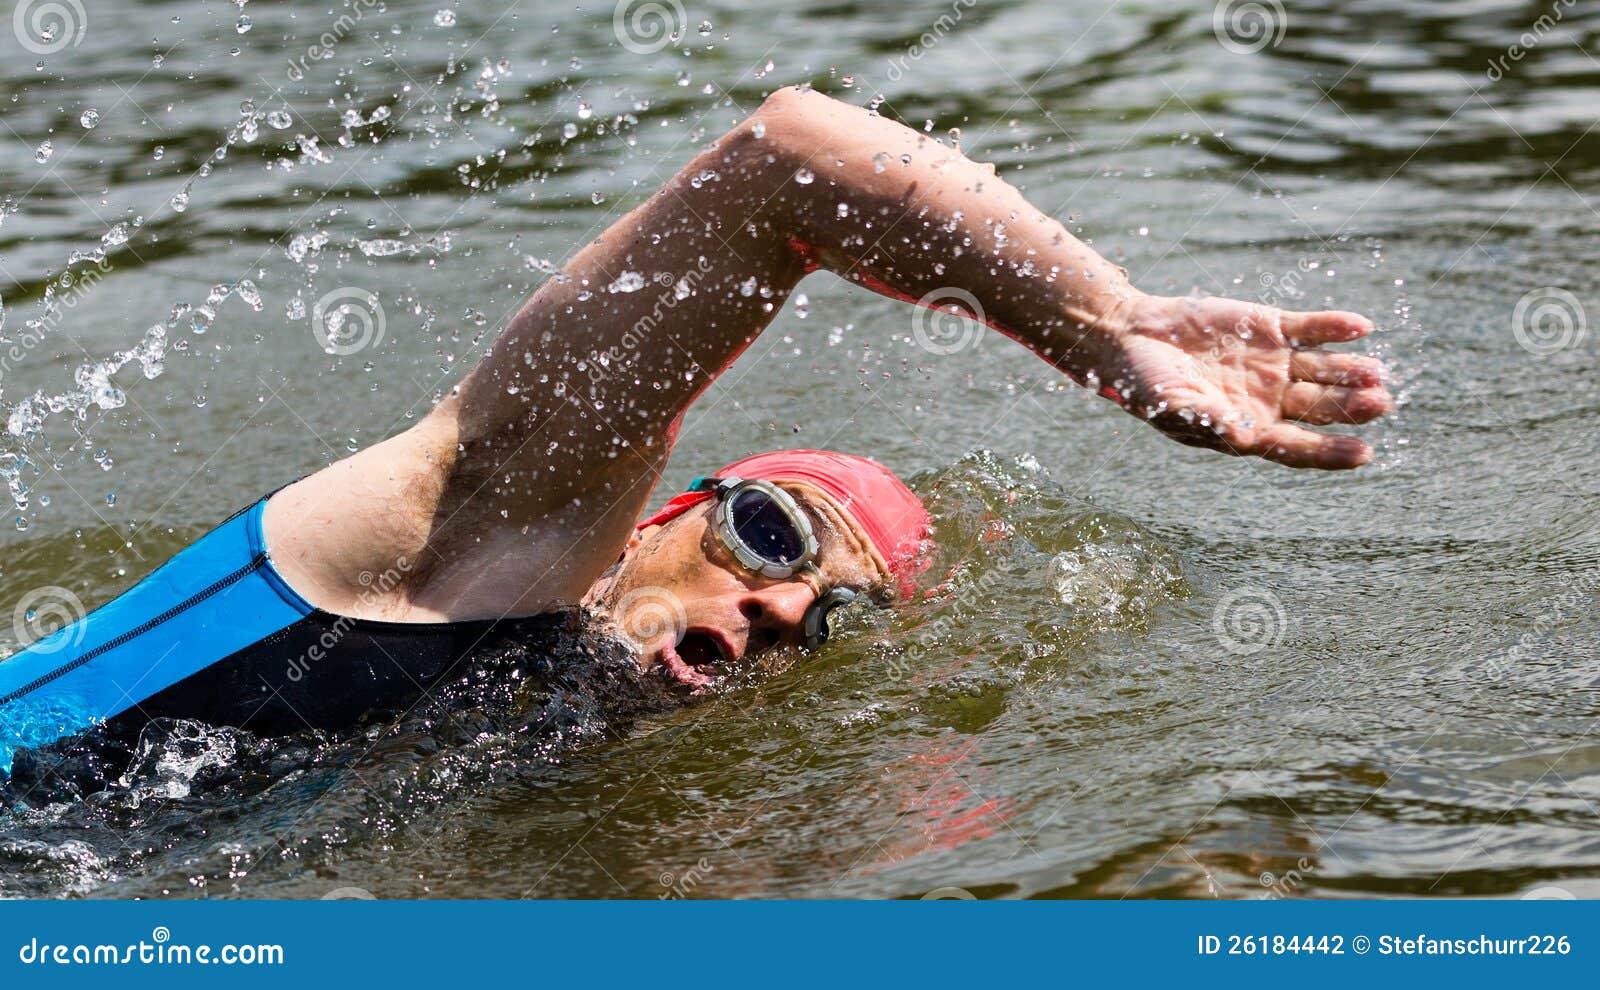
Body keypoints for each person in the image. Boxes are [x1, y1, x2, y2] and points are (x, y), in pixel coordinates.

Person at [0, 86, 1390, 760]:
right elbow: (787, 166)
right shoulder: (460, 543)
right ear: (661, 513)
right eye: (775, 536)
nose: (783, 610)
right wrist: (1104, 322)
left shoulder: (555, 764)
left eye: (829, 620)